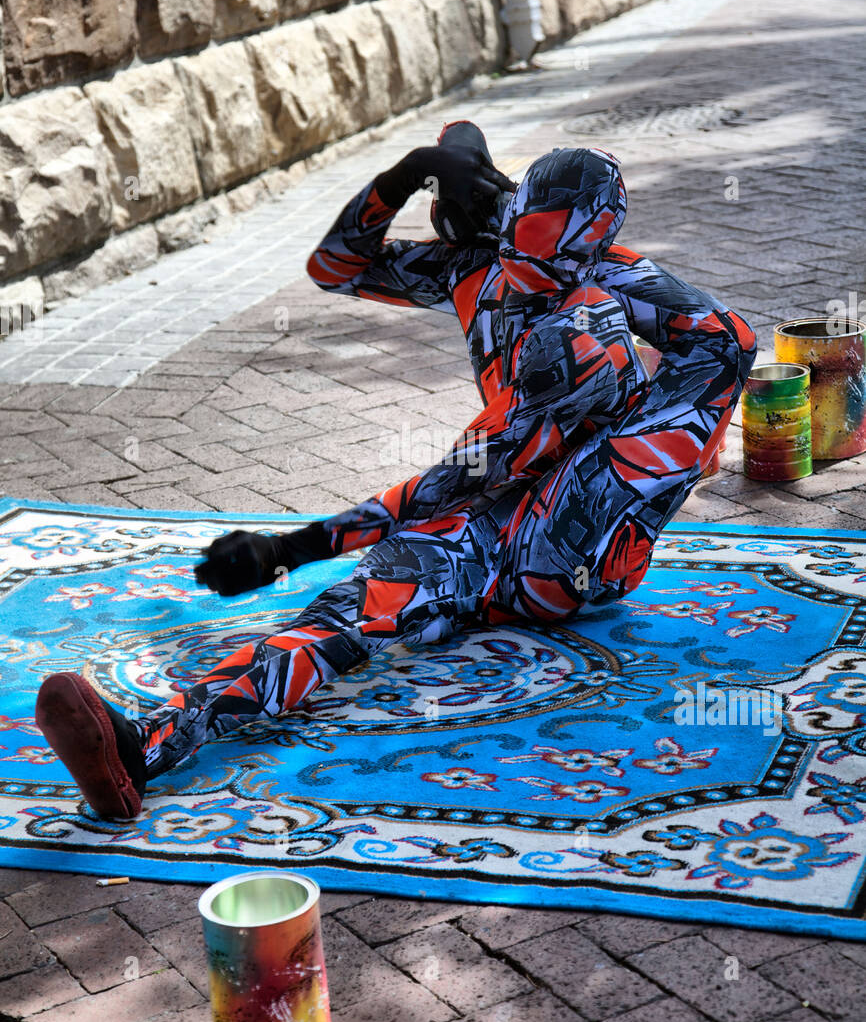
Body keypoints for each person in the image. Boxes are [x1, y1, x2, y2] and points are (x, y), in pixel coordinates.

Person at [34, 127, 757, 820]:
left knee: (438, 541)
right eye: (518, 241)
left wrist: (293, 549)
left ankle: (470, 583)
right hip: (494, 521)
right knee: (349, 612)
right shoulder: (484, 266)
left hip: (572, 549)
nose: (528, 268)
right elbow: (334, 268)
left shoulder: (580, 329)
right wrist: (407, 174)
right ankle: (145, 749)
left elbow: (457, 479)